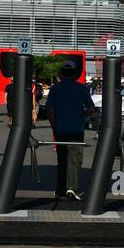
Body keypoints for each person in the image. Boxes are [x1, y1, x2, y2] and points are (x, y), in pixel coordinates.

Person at [43, 65, 95, 199]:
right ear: (74, 74)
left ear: (61, 74)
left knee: (62, 160)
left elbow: (49, 110)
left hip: (60, 130)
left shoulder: (55, 88)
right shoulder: (82, 88)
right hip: (76, 130)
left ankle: (60, 190)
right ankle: (72, 188)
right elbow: (90, 109)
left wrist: (54, 126)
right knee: (75, 160)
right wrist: (81, 113)